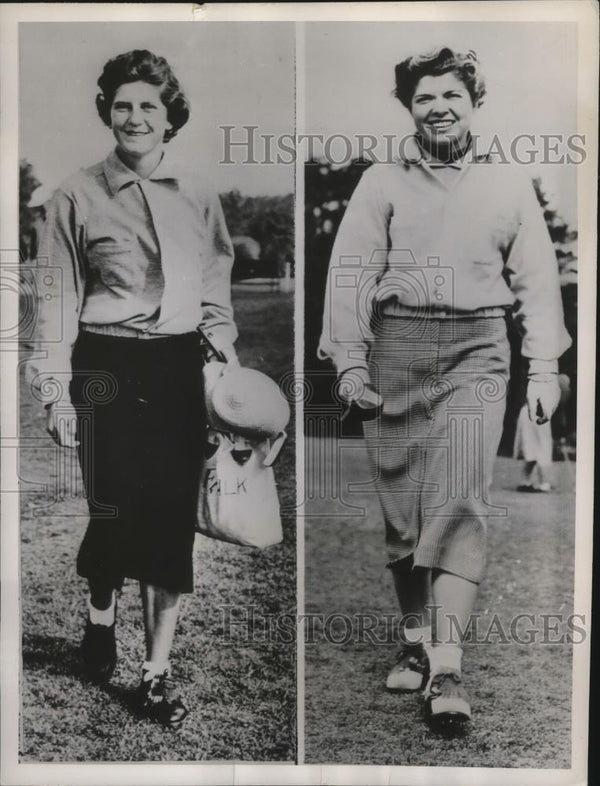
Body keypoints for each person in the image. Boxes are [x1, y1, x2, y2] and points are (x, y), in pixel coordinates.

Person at [318, 47, 571, 727]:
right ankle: (413, 640)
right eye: (424, 97)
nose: (438, 108)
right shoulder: (381, 180)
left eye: (451, 95)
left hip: (478, 348)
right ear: (408, 107)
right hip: (396, 346)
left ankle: (447, 668)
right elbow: (351, 272)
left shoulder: (508, 183)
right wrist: (350, 362)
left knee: (460, 496)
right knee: (403, 512)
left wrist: (542, 368)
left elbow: (537, 281)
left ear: (474, 101)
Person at [28, 50, 238, 728]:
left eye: (149, 105)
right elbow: (57, 301)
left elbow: (215, 288)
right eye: (123, 105)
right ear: (107, 113)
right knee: (114, 511)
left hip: (178, 368)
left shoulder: (198, 193)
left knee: (170, 521)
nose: (135, 117)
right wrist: (57, 393)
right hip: (105, 369)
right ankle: (100, 613)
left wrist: (226, 368)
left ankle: (154, 674)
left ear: (171, 116)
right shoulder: (73, 196)